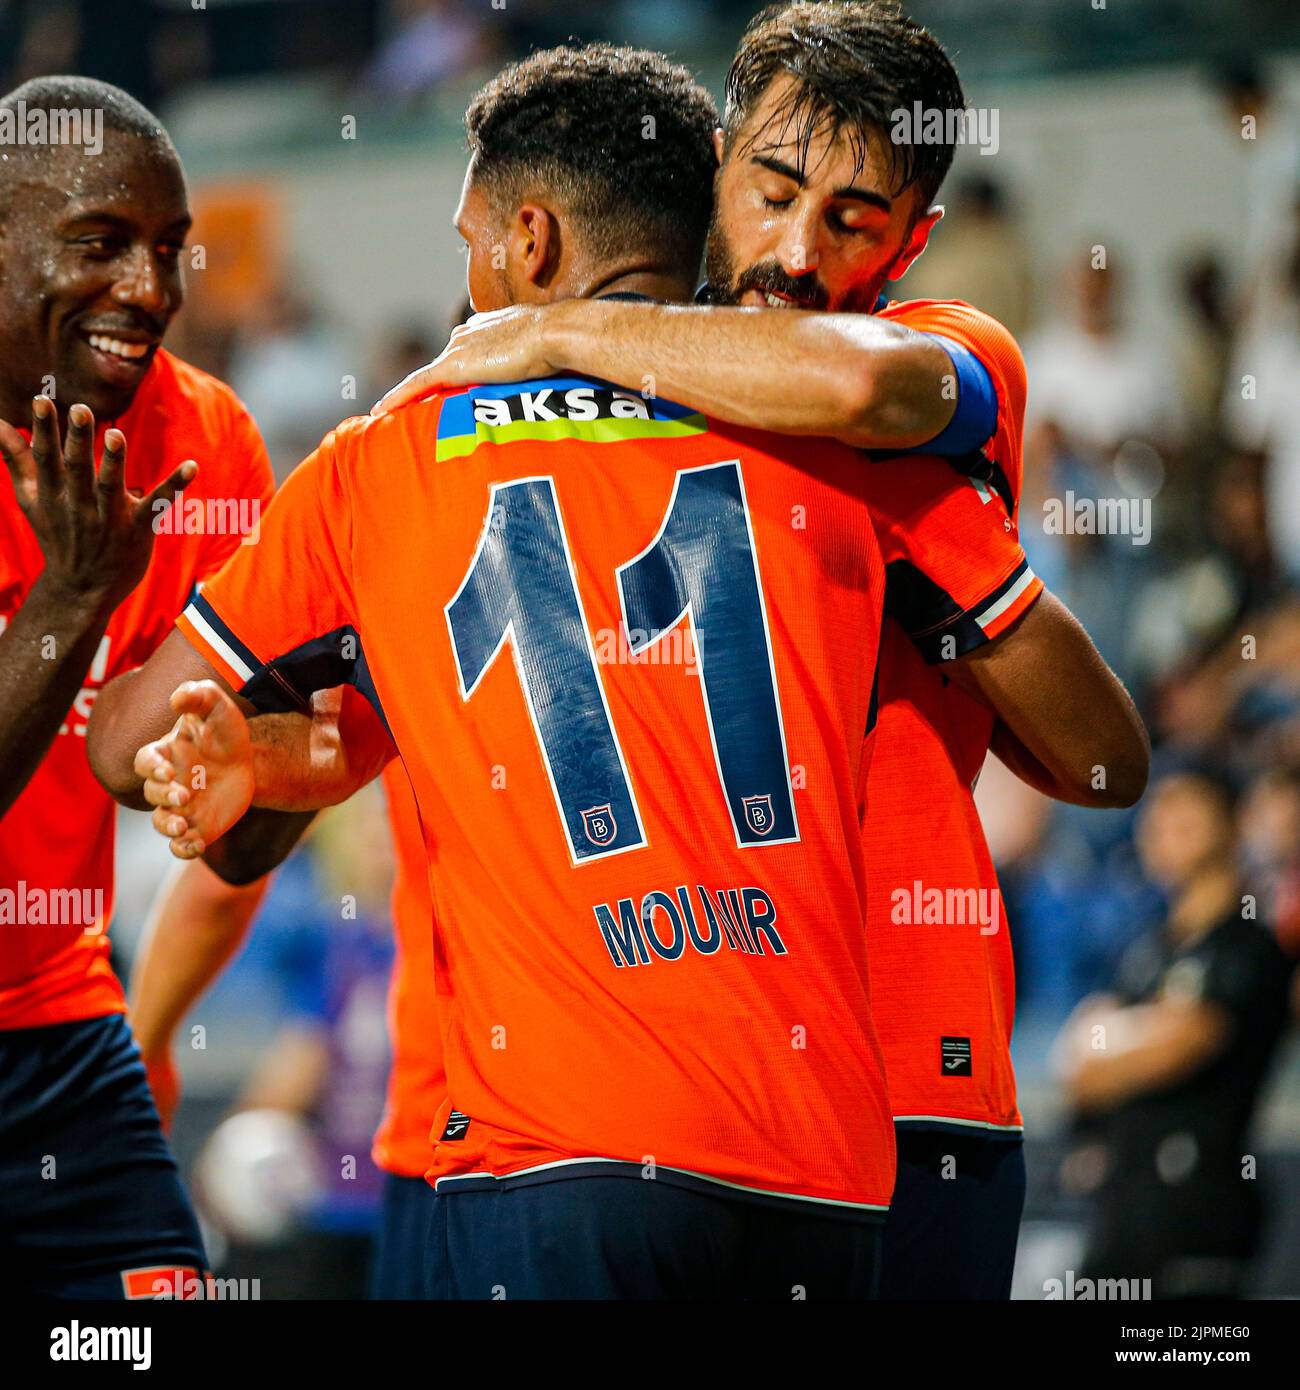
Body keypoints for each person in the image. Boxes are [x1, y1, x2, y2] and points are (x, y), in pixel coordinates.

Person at [374, 1, 1150, 1298]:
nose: (797, 249)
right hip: (654, 1096)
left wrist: (555, 327)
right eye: (776, 189)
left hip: (908, 1067)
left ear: (916, 238)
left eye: (854, 220)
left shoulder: (949, 361)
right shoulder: (592, 414)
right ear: (717, 157)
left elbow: (856, 388)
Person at [0, 76, 281, 1298]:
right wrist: (73, 599)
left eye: (168, 250)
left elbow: (234, 821)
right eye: (100, 246)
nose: (152, 293)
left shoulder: (204, 443)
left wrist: (297, 761)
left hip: (61, 1021)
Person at [1055, 771, 1295, 1299]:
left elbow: (1185, 1042)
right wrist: (1133, 1039)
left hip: (1199, 1208)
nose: (1163, 826)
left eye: (1185, 812)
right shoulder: (1146, 952)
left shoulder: (1247, 945)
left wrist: (1123, 1040)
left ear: (1231, 825)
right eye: (1156, 815)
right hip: (1124, 1208)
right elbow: (1080, 1070)